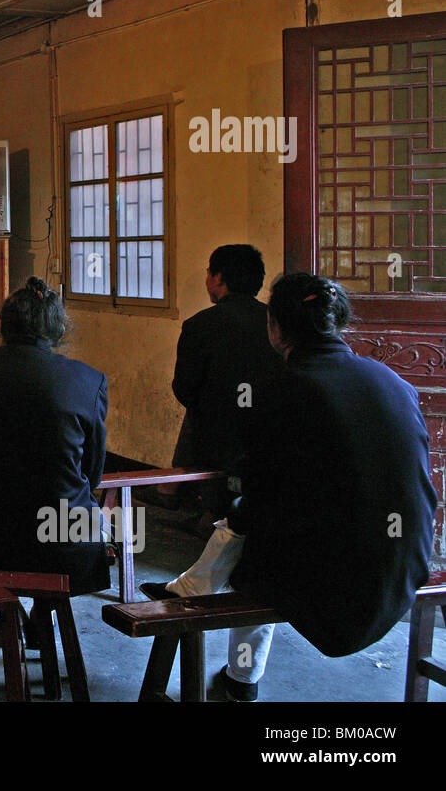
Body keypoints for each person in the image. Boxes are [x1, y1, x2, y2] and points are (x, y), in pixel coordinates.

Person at [143, 273, 436, 701]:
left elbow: (261, 494)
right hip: (404, 566)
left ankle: (230, 657)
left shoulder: (280, 390)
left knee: (253, 545)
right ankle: (218, 637)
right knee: (262, 527)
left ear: (276, 328)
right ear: (336, 322)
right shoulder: (394, 382)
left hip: (338, 592)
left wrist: (235, 518)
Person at [0, 277, 111, 597]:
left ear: (1, 324)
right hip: (60, 541)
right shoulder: (89, 379)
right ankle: (44, 620)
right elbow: (92, 472)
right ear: (59, 330)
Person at [158, 245, 282, 531]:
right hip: (270, 430)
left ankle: (202, 509)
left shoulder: (200, 325)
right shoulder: (275, 322)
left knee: (200, 415)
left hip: (216, 436)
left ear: (218, 278)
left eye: (208, 274)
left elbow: (184, 389)